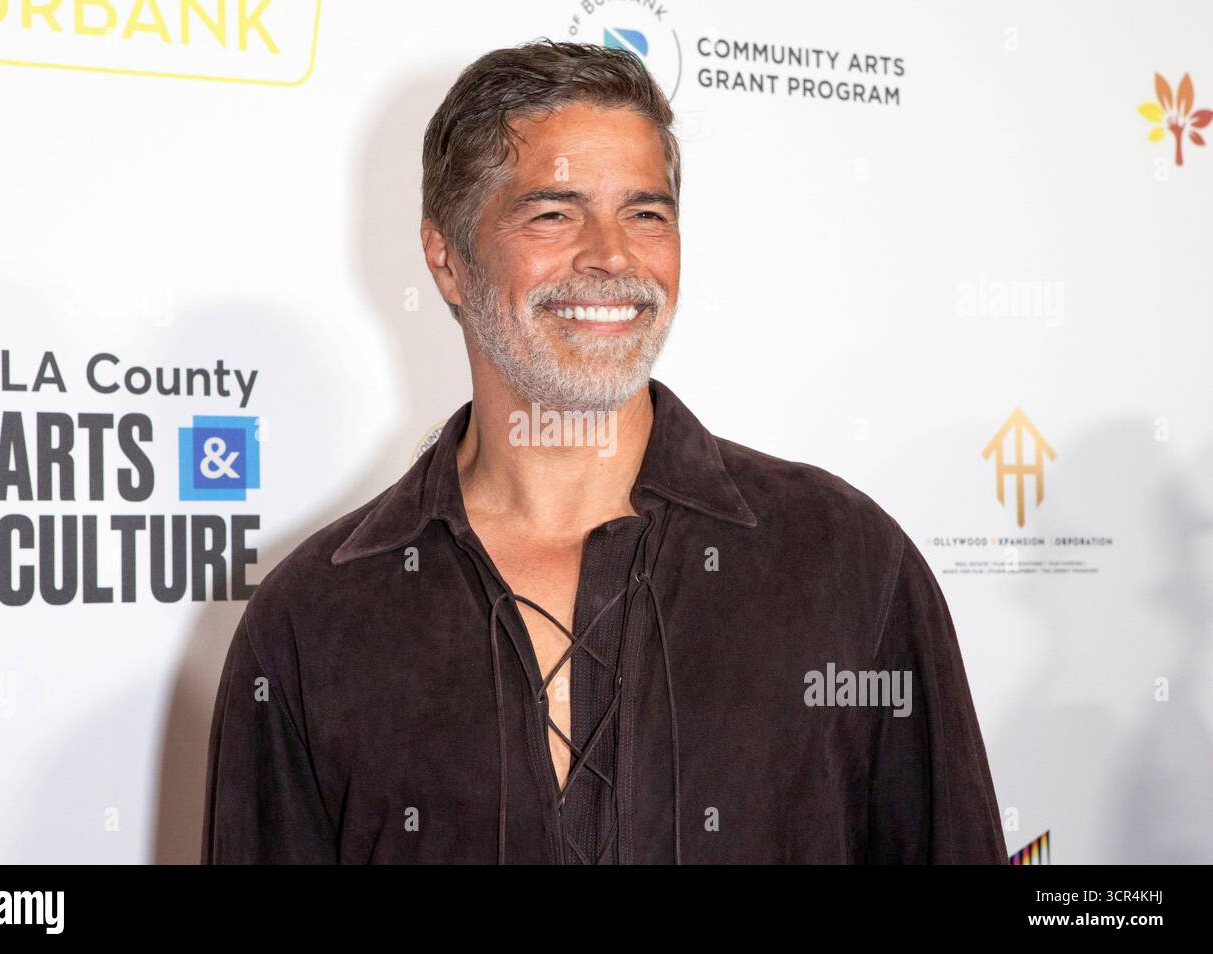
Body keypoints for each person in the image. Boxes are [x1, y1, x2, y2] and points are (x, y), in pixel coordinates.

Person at [200, 38, 1007, 864]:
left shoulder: (846, 561)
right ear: (446, 259)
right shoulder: (314, 618)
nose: (612, 256)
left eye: (645, 213)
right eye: (554, 212)